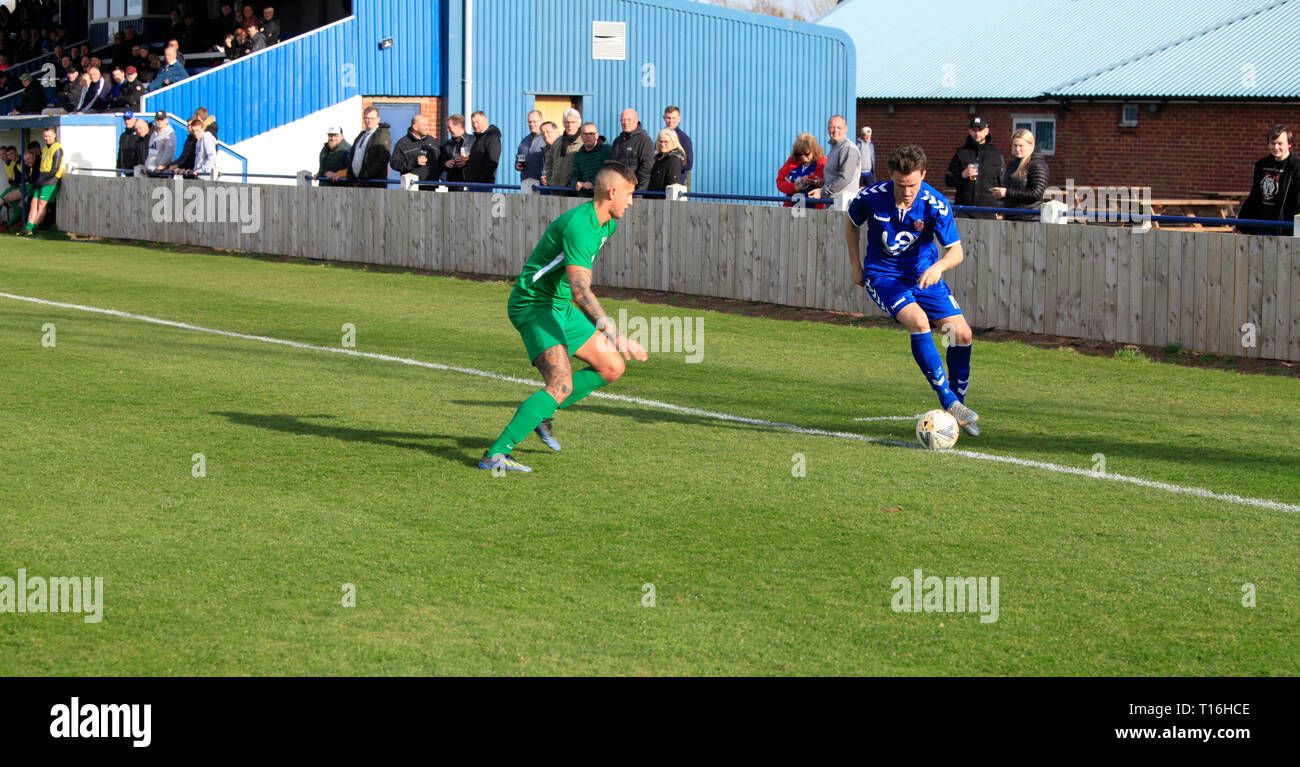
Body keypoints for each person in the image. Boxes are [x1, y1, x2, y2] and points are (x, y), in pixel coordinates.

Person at [478, 162, 647, 473]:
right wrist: (616, 334)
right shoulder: (580, 227)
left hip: (559, 306)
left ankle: (543, 412)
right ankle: (496, 455)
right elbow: (581, 292)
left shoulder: (607, 223)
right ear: (612, 192)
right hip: (533, 305)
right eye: (629, 194)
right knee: (560, 385)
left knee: (612, 366)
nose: (631, 201)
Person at [843, 144, 980, 435]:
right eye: (901, 184)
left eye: (914, 184)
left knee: (962, 334)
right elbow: (851, 221)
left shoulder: (935, 203)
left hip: (924, 276)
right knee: (919, 323)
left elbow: (956, 251)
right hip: (884, 276)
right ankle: (947, 398)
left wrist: (939, 267)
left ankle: (957, 408)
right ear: (891, 176)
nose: (907, 191)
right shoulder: (871, 197)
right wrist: (855, 265)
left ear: (924, 175)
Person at [1237, 125, 1300, 235]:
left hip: (1285, 228)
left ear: (1289, 144)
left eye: (1280, 143)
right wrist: (1240, 224)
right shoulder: (1261, 165)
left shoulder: (1296, 167)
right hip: (1262, 226)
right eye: (1272, 143)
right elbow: (1255, 196)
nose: (1276, 147)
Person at [945, 116, 1004, 220]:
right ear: (969, 131)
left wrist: (1001, 205)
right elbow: (948, 180)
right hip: (964, 210)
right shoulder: (961, 152)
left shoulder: (996, 154)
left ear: (987, 131)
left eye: (980, 130)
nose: (977, 134)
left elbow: (1002, 181)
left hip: (988, 210)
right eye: (974, 130)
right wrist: (962, 175)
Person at [991, 128, 1048, 220]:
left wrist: (1007, 192)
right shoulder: (1012, 164)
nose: (1017, 149)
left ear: (1031, 145)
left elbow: (1036, 193)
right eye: (1015, 145)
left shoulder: (1036, 164)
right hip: (1010, 215)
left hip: (1029, 217)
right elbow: (1010, 189)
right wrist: (1001, 195)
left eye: (1021, 146)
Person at [16, 127, 62, 236]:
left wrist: (43, 180)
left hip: (51, 180)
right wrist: (39, 180)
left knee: (42, 205)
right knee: (33, 202)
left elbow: (55, 169)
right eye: (45, 136)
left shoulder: (57, 149)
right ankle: (28, 227)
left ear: (54, 136)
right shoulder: (46, 148)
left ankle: (32, 228)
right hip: (41, 179)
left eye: (49, 136)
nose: (47, 138)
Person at [813, 114, 859, 202]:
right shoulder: (835, 148)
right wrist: (823, 182)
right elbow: (835, 176)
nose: (835, 131)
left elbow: (844, 178)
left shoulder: (848, 148)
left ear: (846, 130)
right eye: (832, 127)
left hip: (843, 204)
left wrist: (822, 192)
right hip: (833, 202)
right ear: (827, 129)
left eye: (839, 128)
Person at [776, 133, 827, 208]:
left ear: (814, 150)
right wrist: (793, 187)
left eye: (806, 154)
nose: (803, 157)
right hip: (792, 207)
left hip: (815, 209)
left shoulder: (823, 163)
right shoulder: (792, 161)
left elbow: (831, 185)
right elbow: (780, 182)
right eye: (799, 154)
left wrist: (811, 179)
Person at [346, 106, 391, 188]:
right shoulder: (362, 134)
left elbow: (384, 157)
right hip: (358, 182)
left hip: (372, 183)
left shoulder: (382, 134)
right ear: (363, 119)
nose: (369, 121)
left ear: (378, 119)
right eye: (367, 118)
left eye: (373, 118)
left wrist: (366, 174)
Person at [609, 108, 654, 189]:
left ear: (636, 121)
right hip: (618, 188)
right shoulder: (617, 141)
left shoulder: (644, 140)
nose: (626, 122)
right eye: (623, 120)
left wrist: (638, 189)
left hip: (636, 190)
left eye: (629, 119)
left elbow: (647, 167)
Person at [389, 114, 437, 185]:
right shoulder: (403, 143)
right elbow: (394, 164)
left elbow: (440, 160)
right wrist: (414, 162)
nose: (427, 128)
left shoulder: (433, 142)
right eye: (424, 125)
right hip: (412, 188)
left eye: (428, 125)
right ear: (415, 127)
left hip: (432, 188)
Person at [542, 108, 582, 190]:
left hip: (575, 191)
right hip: (556, 189)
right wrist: (550, 181)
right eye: (567, 122)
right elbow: (549, 163)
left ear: (579, 123)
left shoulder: (583, 142)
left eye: (573, 122)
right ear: (563, 124)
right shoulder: (557, 142)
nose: (570, 125)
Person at [569, 123, 610, 194]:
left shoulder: (607, 150)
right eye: (585, 134)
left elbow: (610, 173)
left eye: (591, 133)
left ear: (597, 135)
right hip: (584, 196)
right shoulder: (578, 155)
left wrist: (593, 183)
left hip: (603, 194)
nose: (588, 136)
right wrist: (577, 183)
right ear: (581, 136)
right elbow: (574, 176)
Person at [465, 110, 501, 184]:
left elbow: (492, 161)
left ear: (485, 121)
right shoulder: (478, 138)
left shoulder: (492, 137)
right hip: (473, 182)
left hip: (483, 184)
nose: (475, 125)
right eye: (473, 122)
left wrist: (482, 180)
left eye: (477, 122)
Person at [438, 113, 474, 187]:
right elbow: (439, 162)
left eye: (450, 127)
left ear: (459, 126)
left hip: (468, 184)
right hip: (451, 185)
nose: (447, 130)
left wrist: (467, 160)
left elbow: (480, 159)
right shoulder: (446, 145)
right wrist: (445, 163)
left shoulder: (474, 141)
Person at [663, 105, 693, 187]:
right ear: (664, 118)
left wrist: (671, 166)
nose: (671, 121)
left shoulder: (684, 139)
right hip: (661, 184)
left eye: (674, 118)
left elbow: (689, 164)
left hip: (677, 184)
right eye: (668, 118)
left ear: (679, 119)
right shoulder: (661, 138)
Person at [515, 109, 547, 184]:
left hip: (542, 186)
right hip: (526, 184)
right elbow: (519, 158)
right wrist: (517, 165)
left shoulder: (546, 140)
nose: (532, 124)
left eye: (535, 121)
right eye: (529, 122)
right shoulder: (524, 141)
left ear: (542, 121)